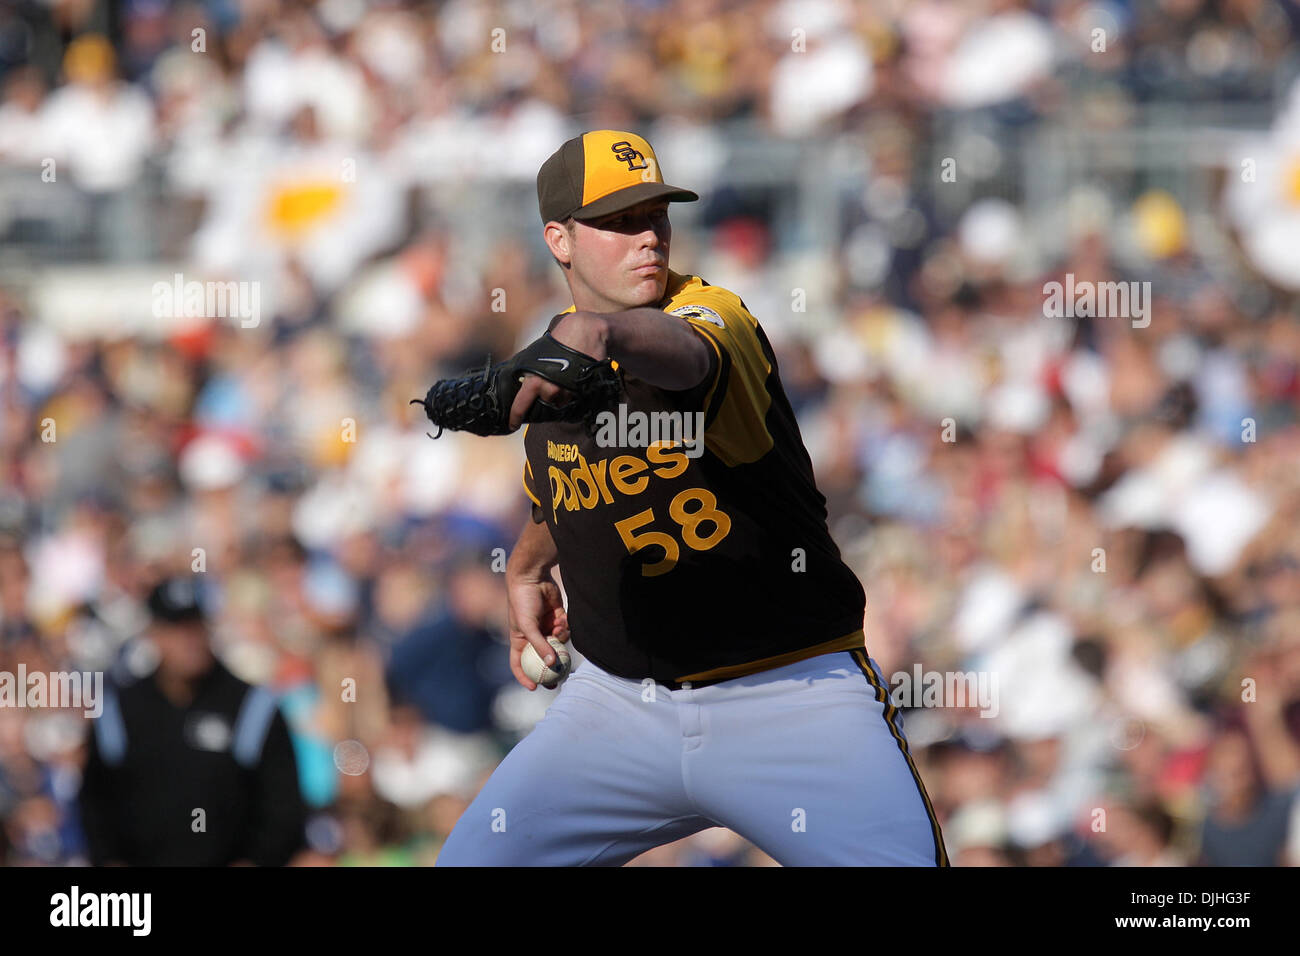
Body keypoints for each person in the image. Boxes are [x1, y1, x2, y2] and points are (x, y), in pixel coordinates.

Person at [435, 130, 948, 866]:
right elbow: (566, 487)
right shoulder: (561, 357)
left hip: (793, 696)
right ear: (560, 239)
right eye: (617, 222)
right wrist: (525, 565)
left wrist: (596, 331)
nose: (647, 237)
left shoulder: (713, 317)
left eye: (656, 215)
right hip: (617, 708)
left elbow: (685, 361)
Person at [78, 576, 307, 866]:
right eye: (176, 629)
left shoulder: (252, 707)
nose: (190, 640)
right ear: (154, 635)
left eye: (196, 626)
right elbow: (95, 801)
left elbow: (282, 807)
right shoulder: (119, 710)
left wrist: (256, 859)